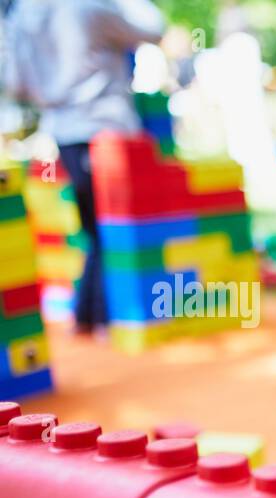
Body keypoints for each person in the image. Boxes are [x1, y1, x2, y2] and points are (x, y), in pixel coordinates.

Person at [3, 0, 165, 334]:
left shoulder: (21, 16)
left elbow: (16, 83)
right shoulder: (88, 6)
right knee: (115, 227)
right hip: (106, 126)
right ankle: (105, 316)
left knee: (93, 227)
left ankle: (88, 316)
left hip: (62, 129)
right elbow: (153, 29)